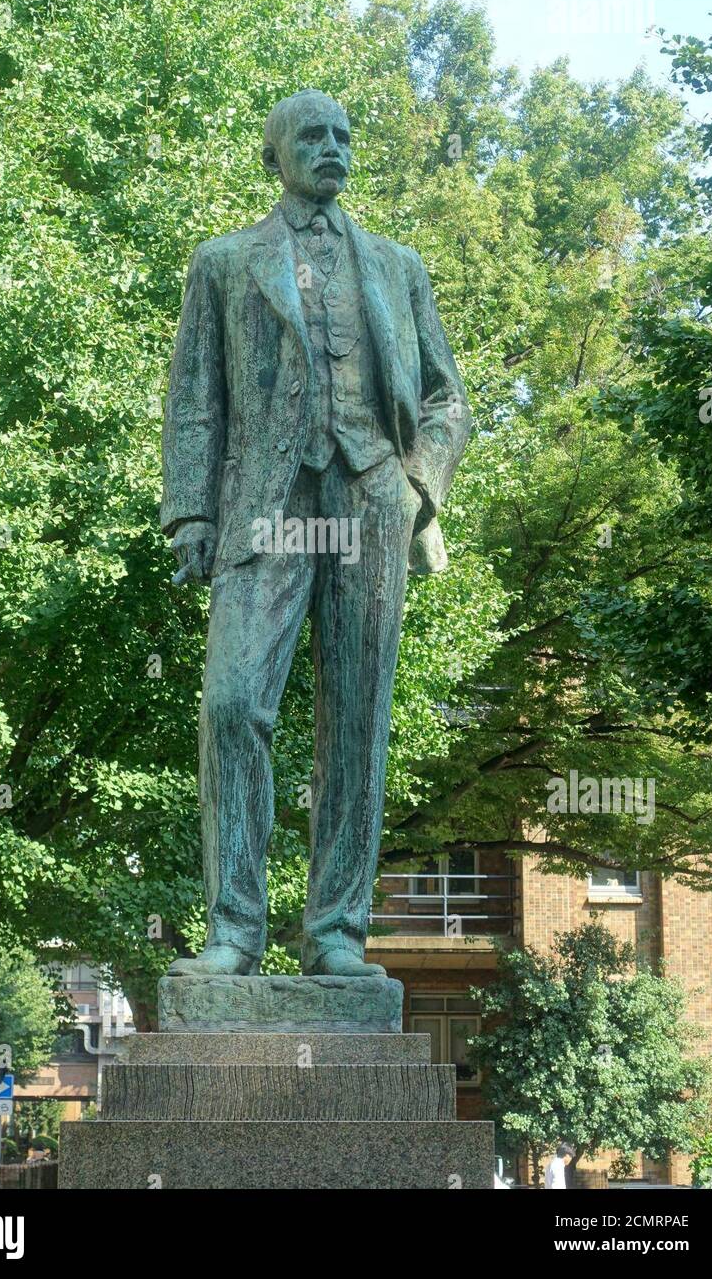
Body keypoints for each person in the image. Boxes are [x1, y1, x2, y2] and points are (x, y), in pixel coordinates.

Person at [161, 89, 471, 976]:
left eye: (342, 136)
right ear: (276, 155)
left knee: (358, 723)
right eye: (312, 136)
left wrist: (419, 485)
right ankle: (234, 931)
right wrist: (190, 508)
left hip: (370, 498)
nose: (331, 147)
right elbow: (195, 398)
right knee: (232, 704)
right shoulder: (224, 263)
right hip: (267, 503)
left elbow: (447, 394)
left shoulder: (396, 265)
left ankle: (336, 931)